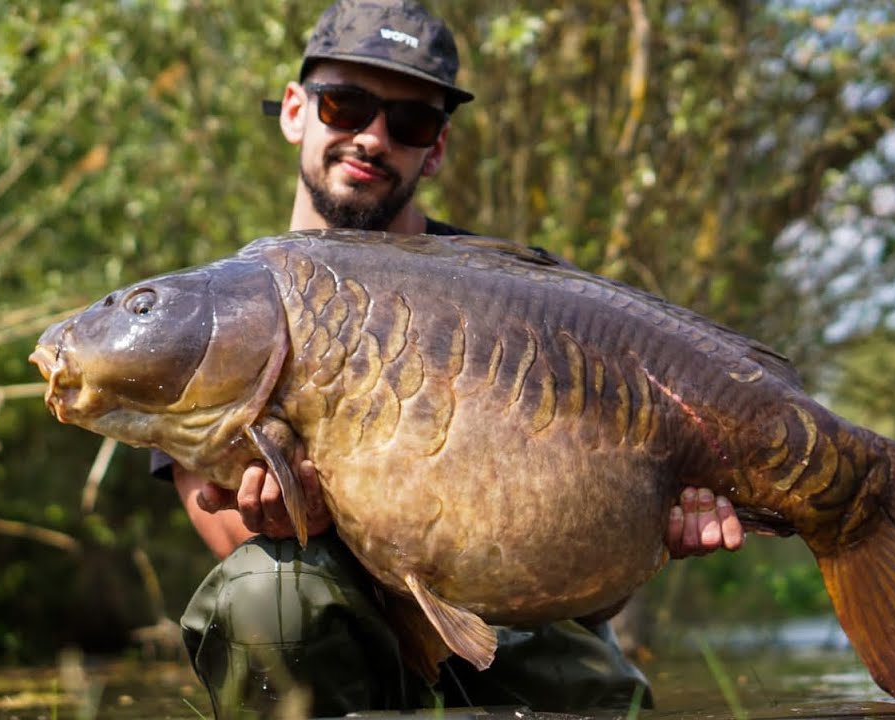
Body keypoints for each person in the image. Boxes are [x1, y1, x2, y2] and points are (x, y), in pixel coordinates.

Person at [157, 1, 746, 716]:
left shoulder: (521, 297)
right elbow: (228, 539)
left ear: (435, 148)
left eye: (408, 122)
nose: (372, 137)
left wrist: (658, 528)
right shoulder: (217, 312)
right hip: (339, 631)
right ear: (294, 111)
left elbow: (597, 592)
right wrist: (294, 518)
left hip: (513, 625)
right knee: (264, 593)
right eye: (346, 105)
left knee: (588, 680)